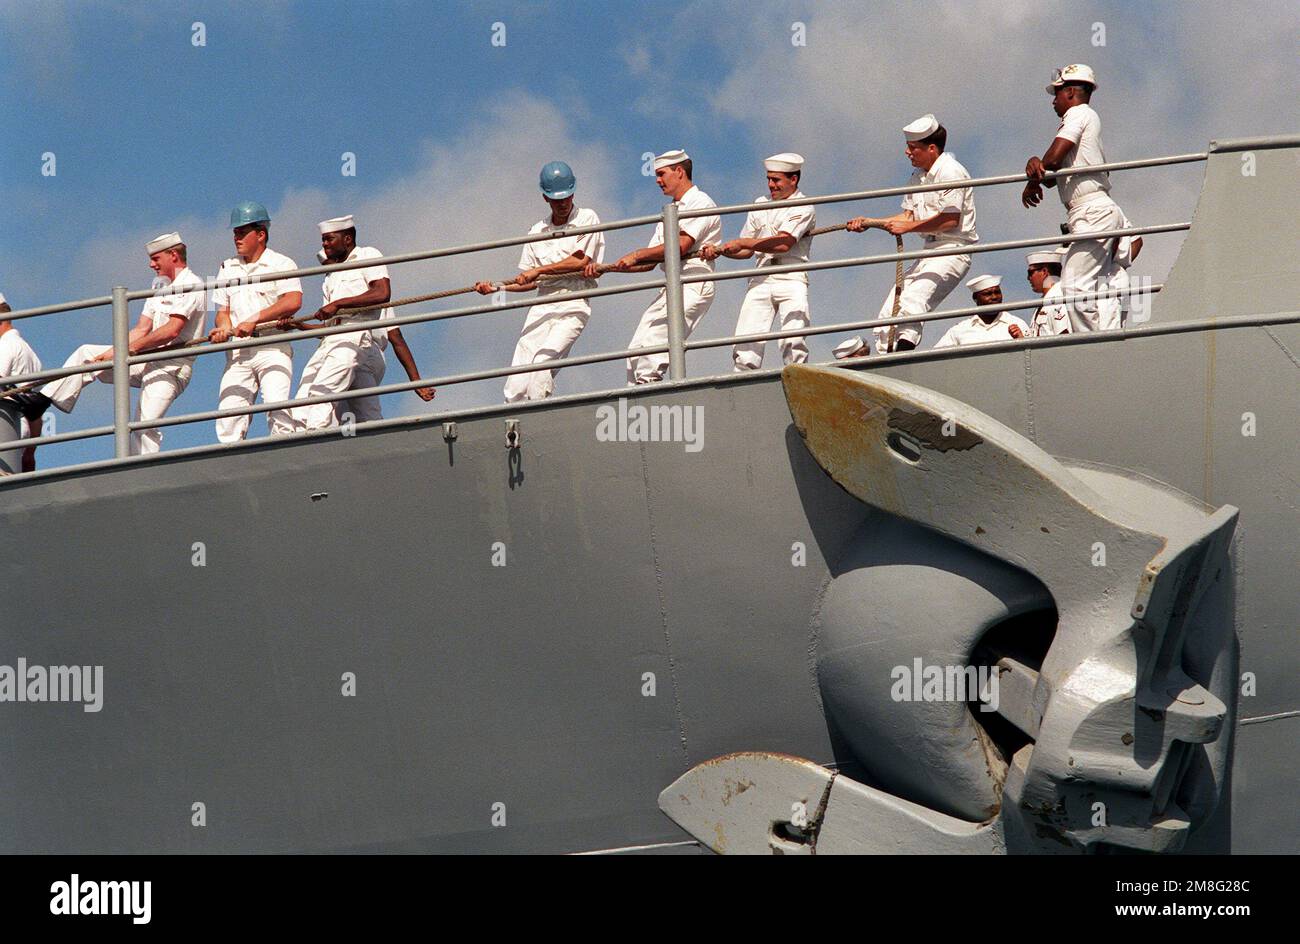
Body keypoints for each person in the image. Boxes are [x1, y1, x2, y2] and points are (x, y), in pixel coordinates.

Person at [14, 232, 206, 456]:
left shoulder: (193, 284)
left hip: (171, 367)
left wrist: (131, 349)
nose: (151, 264)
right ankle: (43, 401)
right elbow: (141, 328)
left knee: (145, 422)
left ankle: (142, 469)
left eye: (156, 258)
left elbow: (171, 330)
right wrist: (113, 352)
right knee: (86, 353)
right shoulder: (160, 287)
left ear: (173, 255)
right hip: (146, 360)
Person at [846, 115, 978, 353]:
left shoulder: (951, 172)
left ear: (931, 148)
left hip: (954, 249)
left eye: (913, 148)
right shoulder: (917, 178)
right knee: (890, 310)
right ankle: (887, 356)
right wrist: (870, 222)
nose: (908, 153)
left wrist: (909, 228)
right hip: (930, 250)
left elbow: (949, 219)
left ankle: (903, 355)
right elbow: (906, 216)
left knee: (915, 299)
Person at [474, 161, 605, 401]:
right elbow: (528, 281)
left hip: (573, 302)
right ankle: (511, 422)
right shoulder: (537, 231)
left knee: (542, 364)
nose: (563, 203)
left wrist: (539, 271)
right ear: (546, 199)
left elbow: (579, 261)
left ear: (573, 192)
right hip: (542, 304)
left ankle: (539, 414)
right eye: (556, 199)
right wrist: (496, 287)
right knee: (517, 379)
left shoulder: (588, 218)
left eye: (566, 197)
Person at [593, 149, 721, 385]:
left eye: (661, 174)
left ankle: (649, 395)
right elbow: (649, 264)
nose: (657, 180)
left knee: (655, 343)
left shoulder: (700, 202)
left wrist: (637, 254)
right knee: (635, 350)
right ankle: (637, 399)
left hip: (693, 281)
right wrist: (609, 267)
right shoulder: (671, 210)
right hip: (671, 283)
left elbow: (681, 245)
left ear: (679, 171)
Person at [1022, 64, 1129, 333]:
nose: (1053, 102)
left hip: (1092, 209)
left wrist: (1037, 167)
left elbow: (1054, 159)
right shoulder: (1084, 117)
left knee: (1073, 284)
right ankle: (1100, 337)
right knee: (1089, 284)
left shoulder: (1078, 114)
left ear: (1070, 92)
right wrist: (1037, 171)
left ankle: (1090, 344)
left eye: (1056, 94)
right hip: (1088, 210)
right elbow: (1051, 174)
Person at [290, 216, 413, 430]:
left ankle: (313, 438)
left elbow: (382, 293)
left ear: (347, 239)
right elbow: (329, 327)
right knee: (306, 401)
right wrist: (300, 326)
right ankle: (360, 444)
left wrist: (339, 304)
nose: (324, 245)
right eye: (323, 241)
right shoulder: (330, 279)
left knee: (323, 391)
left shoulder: (368, 255)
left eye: (329, 240)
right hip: (332, 341)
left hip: (357, 337)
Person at [701, 153, 816, 371]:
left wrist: (743, 242)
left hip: (791, 275)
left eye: (776, 180)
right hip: (761, 276)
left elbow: (783, 243)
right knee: (747, 336)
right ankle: (742, 376)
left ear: (793, 180)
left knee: (793, 335)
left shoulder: (804, 206)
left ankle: (799, 374)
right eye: (769, 179)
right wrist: (720, 251)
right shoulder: (760, 204)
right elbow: (744, 252)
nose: (771, 185)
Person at [209, 201, 302, 441]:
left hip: (272, 347)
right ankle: (232, 466)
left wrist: (255, 319)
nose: (236, 238)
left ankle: (285, 455)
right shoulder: (226, 268)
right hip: (239, 353)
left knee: (277, 406)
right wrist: (223, 327)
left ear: (261, 234)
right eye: (235, 233)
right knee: (229, 414)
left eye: (242, 232)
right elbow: (222, 310)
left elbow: (293, 301)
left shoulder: (282, 264)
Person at [0, 292, 44, 472]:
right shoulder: (32, 354)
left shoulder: (6, 345)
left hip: (6, 424)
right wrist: (30, 452)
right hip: (22, 429)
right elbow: (36, 410)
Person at [933, 275, 1028, 348]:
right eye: (988, 294)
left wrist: (1020, 339)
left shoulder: (1017, 324)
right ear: (975, 298)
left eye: (997, 292)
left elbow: (1033, 355)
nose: (994, 297)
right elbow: (936, 357)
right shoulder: (961, 329)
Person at [1026, 248, 1069, 337]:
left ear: (1044, 272)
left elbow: (1064, 336)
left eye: (1030, 273)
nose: (1028, 278)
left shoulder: (1058, 299)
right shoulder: (1045, 301)